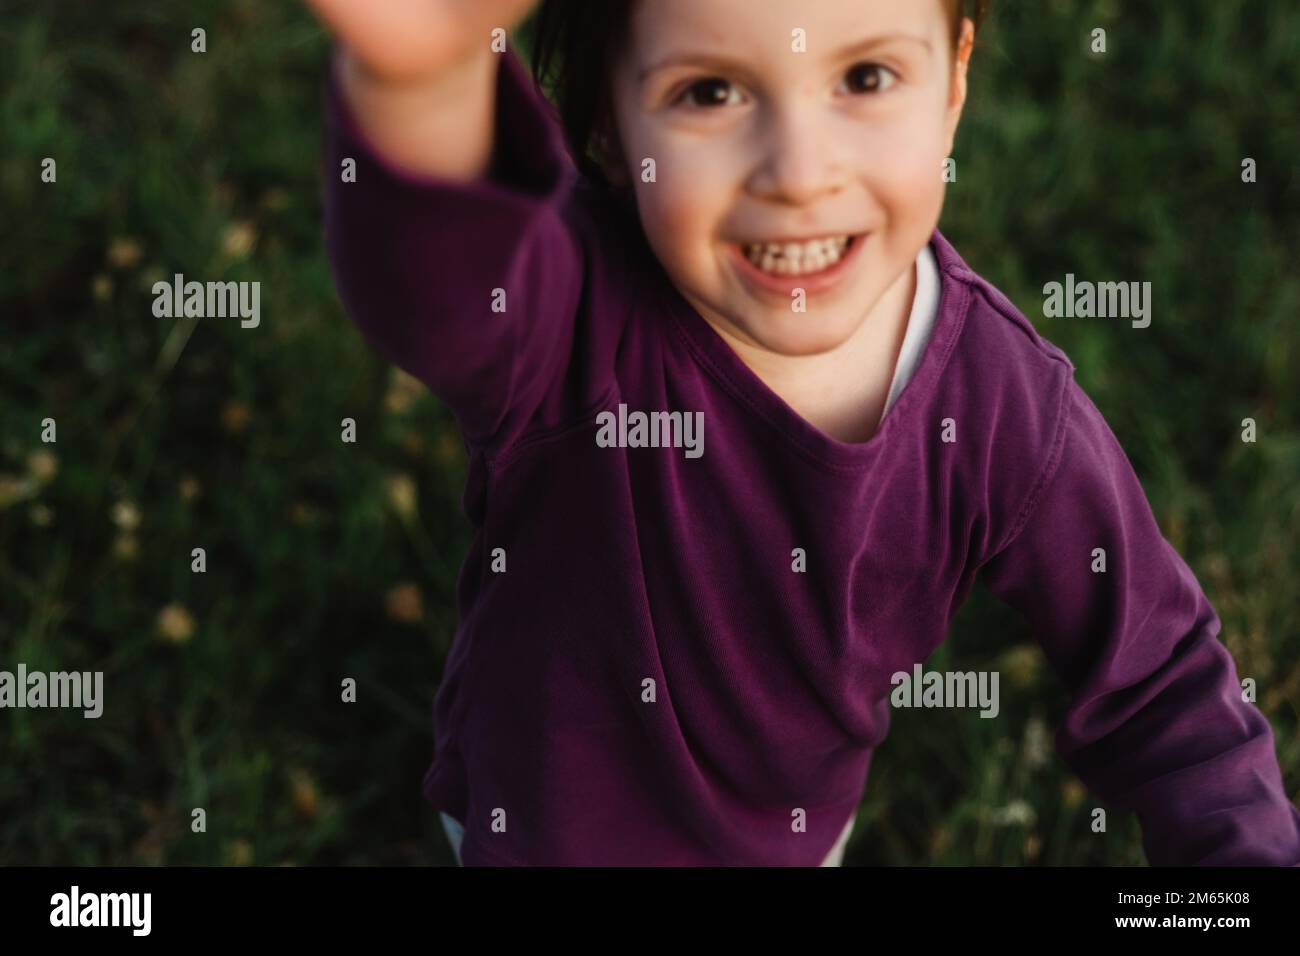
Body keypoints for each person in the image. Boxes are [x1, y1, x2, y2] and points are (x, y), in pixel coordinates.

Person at [307, 0, 1300, 865]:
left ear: (953, 79)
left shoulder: (1003, 412)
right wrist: (421, 81)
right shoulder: (567, 320)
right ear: (607, 124)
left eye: (864, 76)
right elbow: (434, 289)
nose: (798, 171)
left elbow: (1162, 679)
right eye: (709, 92)